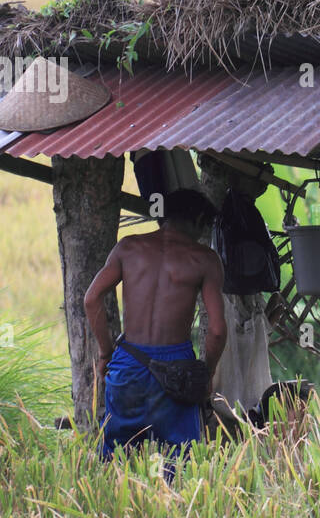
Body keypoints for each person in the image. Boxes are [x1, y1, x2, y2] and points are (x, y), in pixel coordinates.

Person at [83, 188, 227, 474]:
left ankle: (116, 513)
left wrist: (105, 352)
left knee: (115, 461)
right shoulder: (204, 259)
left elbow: (91, 299)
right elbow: (218, 330)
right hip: (178, 370)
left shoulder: (127, 248)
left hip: (128, 361)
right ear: (198, 219)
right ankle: (172, 513)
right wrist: (208, 371)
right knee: (179, 462)